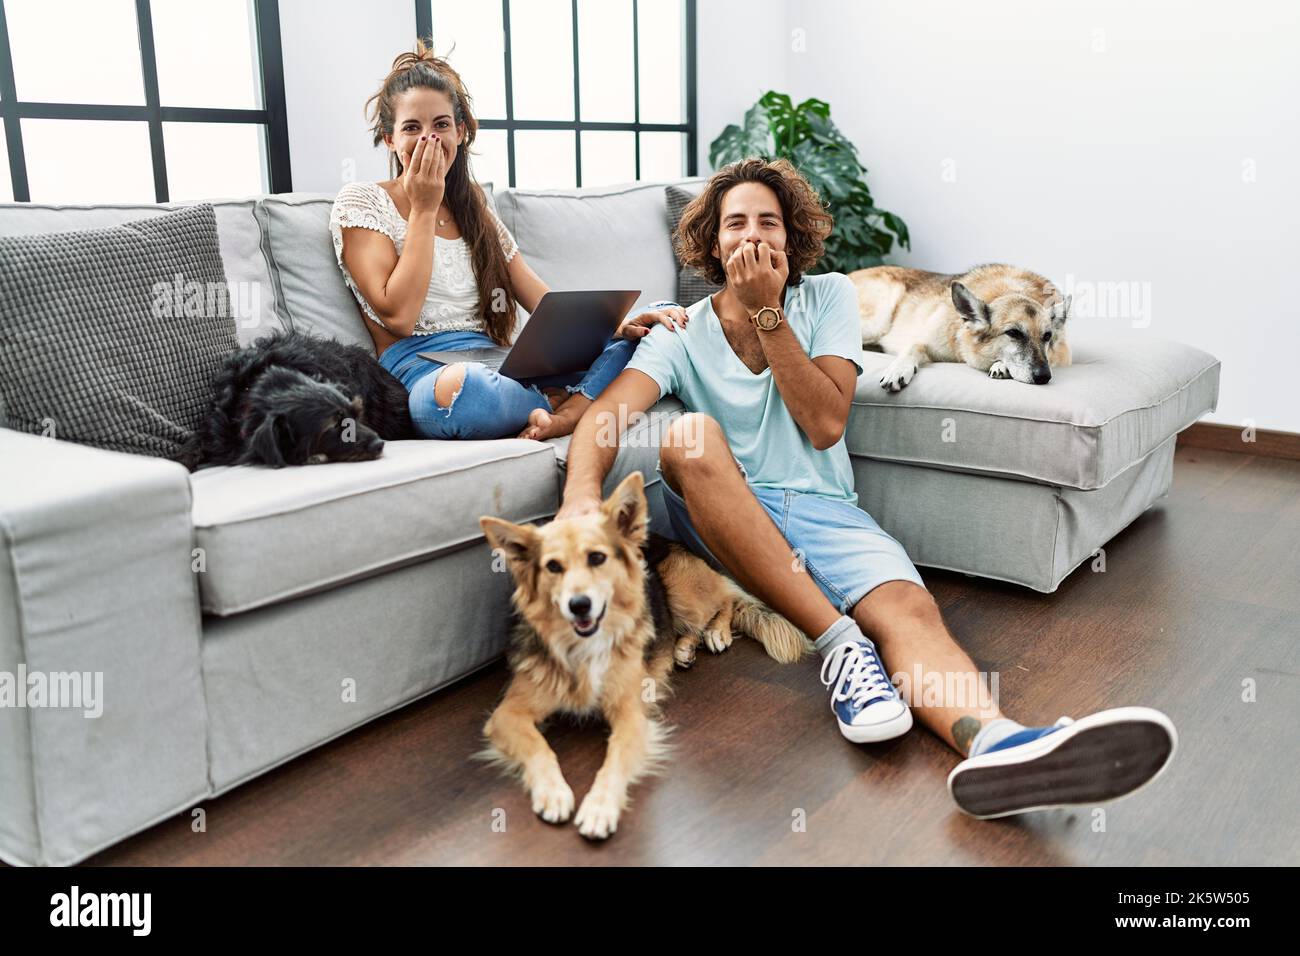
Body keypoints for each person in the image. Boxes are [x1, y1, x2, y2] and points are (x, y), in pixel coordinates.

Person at [554, 157, 1178, 818]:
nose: (753, 234)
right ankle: (841, 646)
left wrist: (770, 316)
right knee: (687, 439)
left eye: (769, 221)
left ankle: (998, 746)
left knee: (910, 612)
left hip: (825, 510)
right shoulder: (682, 333)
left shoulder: (826, 301)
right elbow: (607, 416)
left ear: (789, 242)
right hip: (728, 508)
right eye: (736, 223)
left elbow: (823, 423)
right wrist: (579, 494)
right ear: (713, 244)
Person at [329, 43, 687, 441]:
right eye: (412, 128)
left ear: (461, 132)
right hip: (428, 374)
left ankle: (567, 410)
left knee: (663, 320)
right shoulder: (361, 201)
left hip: (501, 361)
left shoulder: (474, 207)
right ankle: (561, 403)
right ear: (390, 139)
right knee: (465, 392)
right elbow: (398, 316)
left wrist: (620, 326)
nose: (429, 139)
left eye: (442, 125)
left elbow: (544, 303)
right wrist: (424, 209)